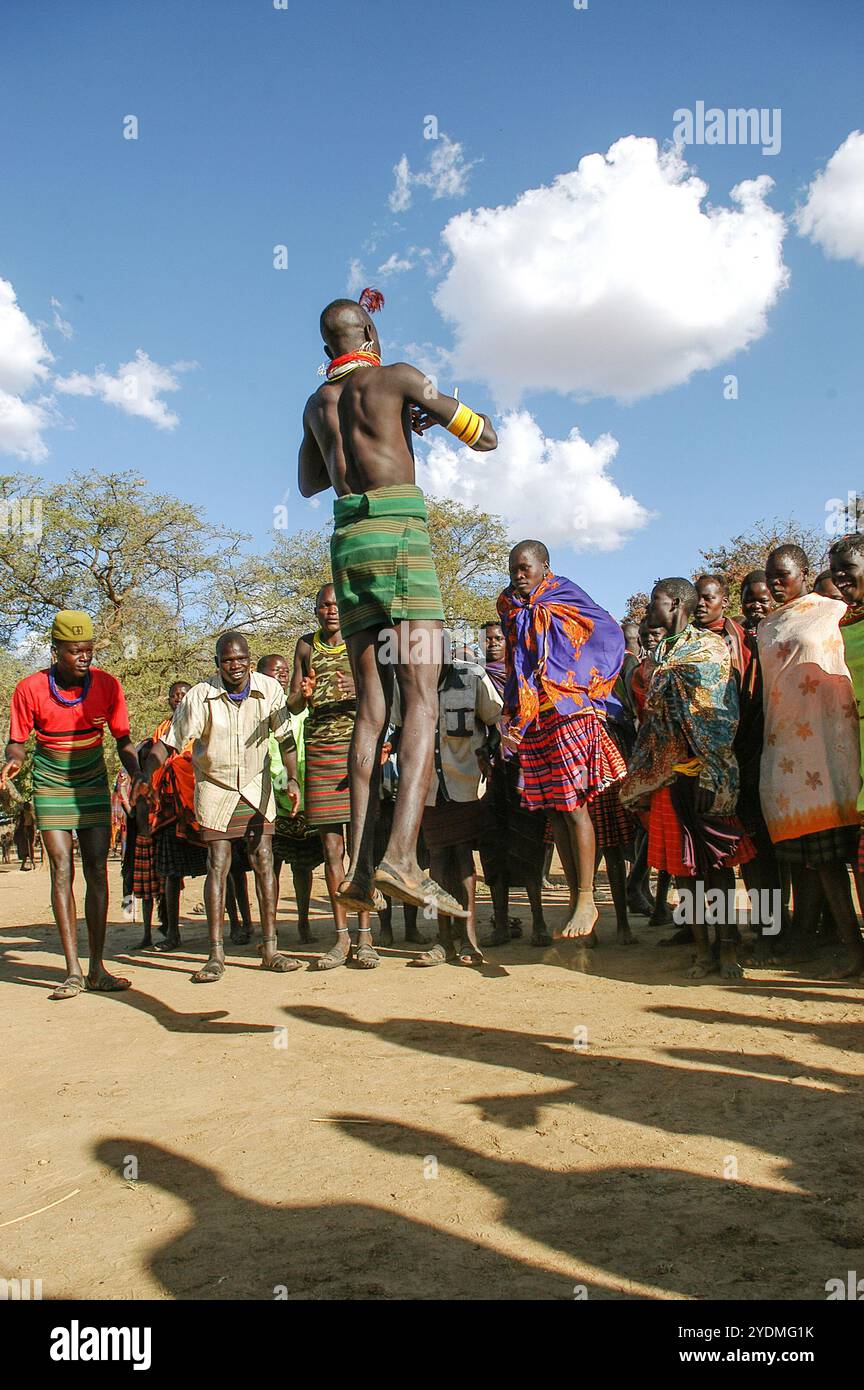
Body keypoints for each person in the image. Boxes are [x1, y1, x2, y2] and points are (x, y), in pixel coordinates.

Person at [298, 287, 496, 915]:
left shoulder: (316, 402)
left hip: (347, 545)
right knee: (423, 702)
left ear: (328, 347)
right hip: (400, 540)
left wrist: (348, 440)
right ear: (370, 339)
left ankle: (358, 872)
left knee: (370, 708)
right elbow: (486, 437)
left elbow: (309, 482)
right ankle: (402, 859)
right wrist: (427, 411)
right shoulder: (397, 377)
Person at [142, 631, 303, 982]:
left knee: (264, 859)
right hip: (214, 785)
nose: (236, 666)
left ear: (249, 658)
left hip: (256, 784)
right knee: (218, 863)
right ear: (217, 664)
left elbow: (286, 738)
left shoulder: (269, 690)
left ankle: (271, 948)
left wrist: (291, 779)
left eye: (242, 659)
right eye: (228, 660)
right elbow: (169, 744)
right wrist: (146, 776)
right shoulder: (200, 696)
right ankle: (216, 955)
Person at [1, 610, 143, 999]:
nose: (84, 657)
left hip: (91, 779)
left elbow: (123, 741)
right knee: (62, 866)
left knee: (97, 868)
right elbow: (17, 739)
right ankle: (73, 971)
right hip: (50, 780)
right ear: (55, 651)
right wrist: (13, 759)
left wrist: (138, 772)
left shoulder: (107, 686)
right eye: (75, 651)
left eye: (89, 650)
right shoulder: (29, 689)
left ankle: (98, 967)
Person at [619, 579, 753, 979]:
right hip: (669, 776)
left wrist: (711, 770)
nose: (650, 605)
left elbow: (720, 715)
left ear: (674, 603)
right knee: (682, 870)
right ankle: (701, 950)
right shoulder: (659, 653)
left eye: (656, 600)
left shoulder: (709, 649)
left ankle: (728, 950)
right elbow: (653, 721)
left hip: (707, 772)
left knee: (717, 868)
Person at [497, 541, 626, 944]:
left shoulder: (564, 594)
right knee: (553, 811)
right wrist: (511, 710)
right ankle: (575, 899)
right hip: (535, 717)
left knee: (574, 807)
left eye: (525, 568)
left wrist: (588, 686)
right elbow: (515, 662)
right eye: (513, 569)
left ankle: (588, 897)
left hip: (570, 709)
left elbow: (608, 632)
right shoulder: (509, 607)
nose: (518, 575)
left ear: (545, 567)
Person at [760, 545, 863, 976]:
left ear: (803, 572)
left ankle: (852, 950)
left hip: (831, 747)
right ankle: (821, 944)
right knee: (807, 858)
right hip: (787, 752)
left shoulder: (834, 613)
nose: (775, 583)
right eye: (771, 576)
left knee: (836, 858)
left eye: (783, 574)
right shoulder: (766, 626)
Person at [288, 587, 378, 969]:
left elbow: (381, 694)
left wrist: (359, 689)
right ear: (315, 611)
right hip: (320, 751)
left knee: (359, 848)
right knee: (331, 849)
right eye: (324, 605)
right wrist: (303, 695)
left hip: (355, 750)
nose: (331, 611)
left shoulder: (361, 644)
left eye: (336, 605)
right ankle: (340, 940)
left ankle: (366, 938)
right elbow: (292, 703)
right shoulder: (306, 646)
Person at [406, 638, 504, 966]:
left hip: (463, 781)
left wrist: (486, 753)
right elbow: (396, 725)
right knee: (436, 863)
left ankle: (469, 936)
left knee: (463, 859)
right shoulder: (409, 681)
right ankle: (442, 939)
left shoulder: (473, 676)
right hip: (428, 787)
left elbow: (495, 721)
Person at [477, 620, 551, 948]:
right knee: (494, 849)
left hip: (525, 770)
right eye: (488, 639)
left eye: (499, 639)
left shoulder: (524, 678)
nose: (493, 644)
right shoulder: (475, 677)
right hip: (492, 775)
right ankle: (501, 923)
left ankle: (538, 921)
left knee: (529, 845)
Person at [257, 654, 324, 947]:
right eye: (276, 671)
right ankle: (268, 927)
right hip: (271, 799)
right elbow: (272, 759)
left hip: (305, 799)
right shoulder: (259, 710)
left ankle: (303, 921)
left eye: (286, 671)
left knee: (303, 867)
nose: (282, 675)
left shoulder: (299, 707)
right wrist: (284, 788)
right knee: (268, 865)